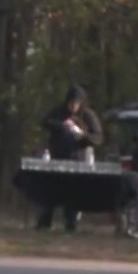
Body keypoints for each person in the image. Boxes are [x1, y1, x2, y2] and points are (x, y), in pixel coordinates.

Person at [36, 85, 104, 232]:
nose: (73, 106)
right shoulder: (59, 112)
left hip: (78, 158)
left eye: (76, 103)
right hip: (58, 156)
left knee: (73, 192)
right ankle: (44, 222)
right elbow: (44, 122)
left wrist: (83, 136)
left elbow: (98, 137)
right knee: (51, 190)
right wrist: (61, 126)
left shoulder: (88, 115)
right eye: (71, 103)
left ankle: (70, 223)